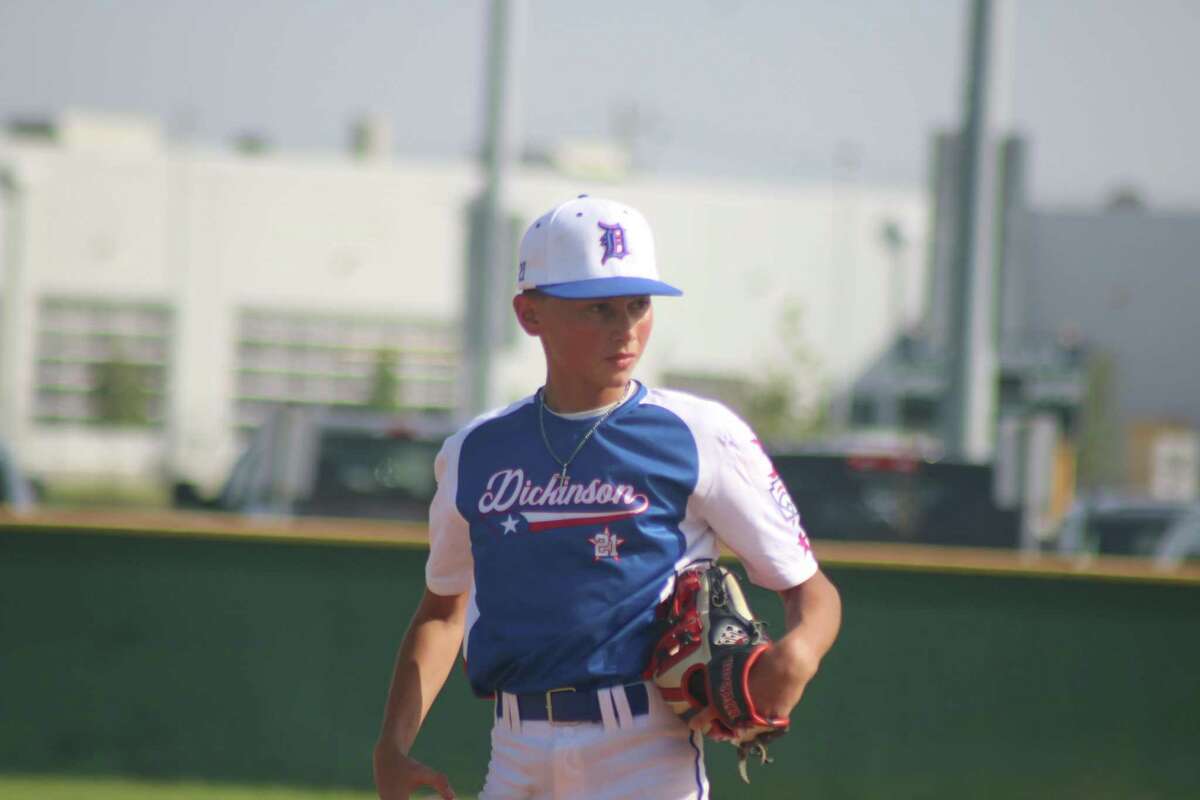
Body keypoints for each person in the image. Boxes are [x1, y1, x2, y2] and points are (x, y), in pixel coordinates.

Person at [373, 195, 842, 800]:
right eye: (597, 308)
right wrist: (393, 744)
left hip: (645, 756)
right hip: (515, 755)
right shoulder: (475, 452)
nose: (625, 328)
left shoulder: (698, 434)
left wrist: (797, 656)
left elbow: (811, 590)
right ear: (529, 313)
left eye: (638, 305)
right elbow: (441, 613)